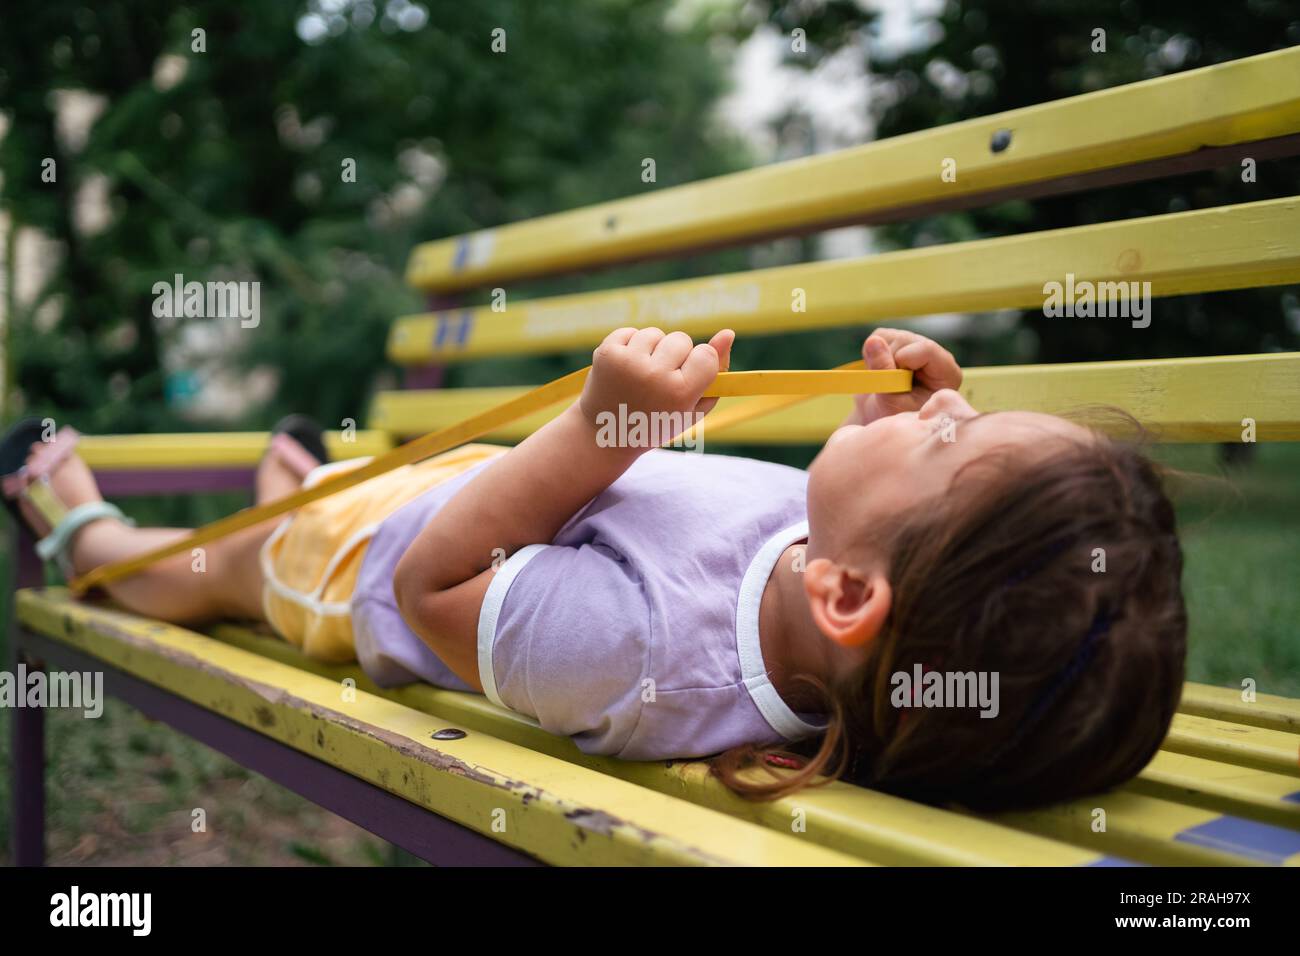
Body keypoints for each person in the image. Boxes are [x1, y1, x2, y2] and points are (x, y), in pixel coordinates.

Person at [2, 327, 1186, 809]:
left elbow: (430, 588)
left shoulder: (637, 653)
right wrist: (893, 418)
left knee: (192, 570)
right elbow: (863, 523)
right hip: (462, 496)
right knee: (291, 500)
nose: (950, 397)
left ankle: (80, 526)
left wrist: (602, 428)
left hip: (362, 557)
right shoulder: (836, 589)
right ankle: (279, 488)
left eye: (953, 432)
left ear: (846, 595)